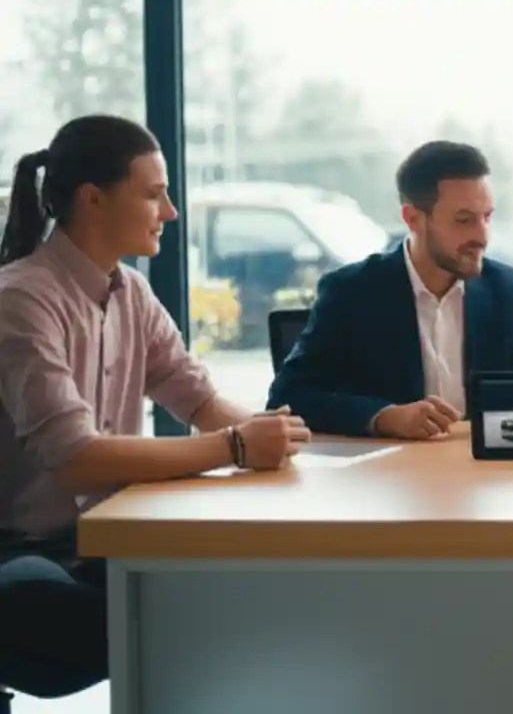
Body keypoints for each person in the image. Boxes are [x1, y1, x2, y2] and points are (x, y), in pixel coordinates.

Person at [0, 115, 310, 695]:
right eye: (154, 194)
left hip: (110, 540)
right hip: (26, 551)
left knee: (230, 594)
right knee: (125, 618)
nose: (170, 211)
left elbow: (200, 399)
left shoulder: (131, 292)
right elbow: (78, 461)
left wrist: (293, 441)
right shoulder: (22, 299)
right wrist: (236, 447)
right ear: (93, 199)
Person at [267, 141, 513, 439]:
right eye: (464, 220)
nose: (482, 236)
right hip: (386, 482)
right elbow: (288, 397)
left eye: (486, 217)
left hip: (483, 478)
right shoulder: (352, 291)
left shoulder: (506, 289)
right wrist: (384, 417)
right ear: (413, 219)